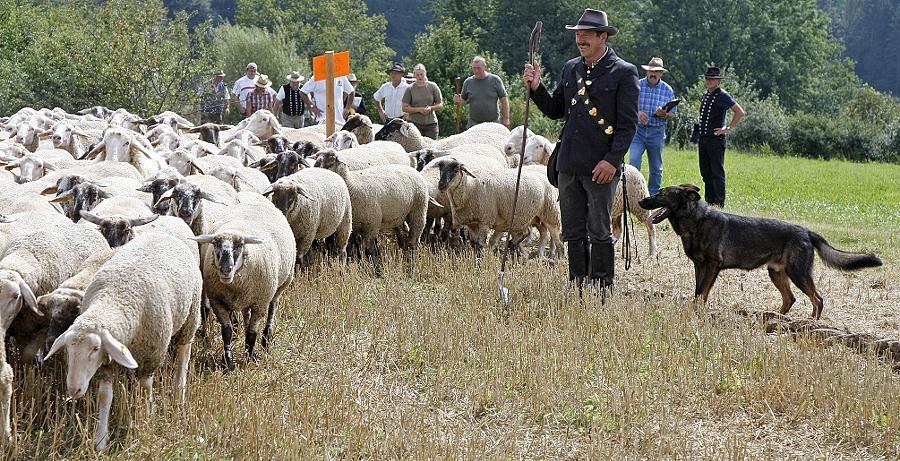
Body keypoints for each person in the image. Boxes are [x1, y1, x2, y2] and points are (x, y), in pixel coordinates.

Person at [523, 8, 639, 296]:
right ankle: (577, 284)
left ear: (603, 37)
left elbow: (627, 126)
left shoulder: (624, 72)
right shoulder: (571, 68)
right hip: (569, 163)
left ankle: (601, 287)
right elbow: (555, 110)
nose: (580, 38)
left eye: (586, 34)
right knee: (572, 231)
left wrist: (612, 161)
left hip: (601, 166)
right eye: (578, 33)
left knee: (599, 230)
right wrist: (537, 88)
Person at [695, 66, 745, 207]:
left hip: (716, 139)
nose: (709, 81)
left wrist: (727, 128)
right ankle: (710, 202)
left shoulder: (723, 95)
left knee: (717, 172)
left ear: (718, 81)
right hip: (704, 139)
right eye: (708, 78)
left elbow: (739, 112)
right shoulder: (706, 94)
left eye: (713, 79)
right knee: (705, 172)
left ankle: (719, 203)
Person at [629, 57, 677, 196]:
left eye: (657, 71)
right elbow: (627, 106)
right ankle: (633, 194)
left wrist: (664, 114)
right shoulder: (637, 85)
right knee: (634, 162)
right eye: (651, 70)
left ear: (661, 74)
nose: (653, 73)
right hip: (637, 131)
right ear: (647, 71)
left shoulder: (667, 90)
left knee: (656, 167)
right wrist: (637, 113)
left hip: (657, 131)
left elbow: (673, 114)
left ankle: (654, 196)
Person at [454, 56, 510, 128]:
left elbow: (504, 99)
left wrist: (506, 118)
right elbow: (463, 100)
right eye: (474, 68)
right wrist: (458, 100)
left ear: (485, 67)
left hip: (493, 123)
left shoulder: (495, 80)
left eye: (479, 68)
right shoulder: (468, 82)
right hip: (473, 124)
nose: (476, 70)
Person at [401, 64, 444, 139]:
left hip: (431, 124)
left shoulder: (433, 86)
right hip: (414, 124)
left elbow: (440, 104)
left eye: (421, 74)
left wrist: (431, 108)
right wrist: (419, 110)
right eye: (417, 75)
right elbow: (404, 108)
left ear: (425, 74)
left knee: (432, 147)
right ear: (414, 75)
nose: (420, 76)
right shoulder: (410, 89)